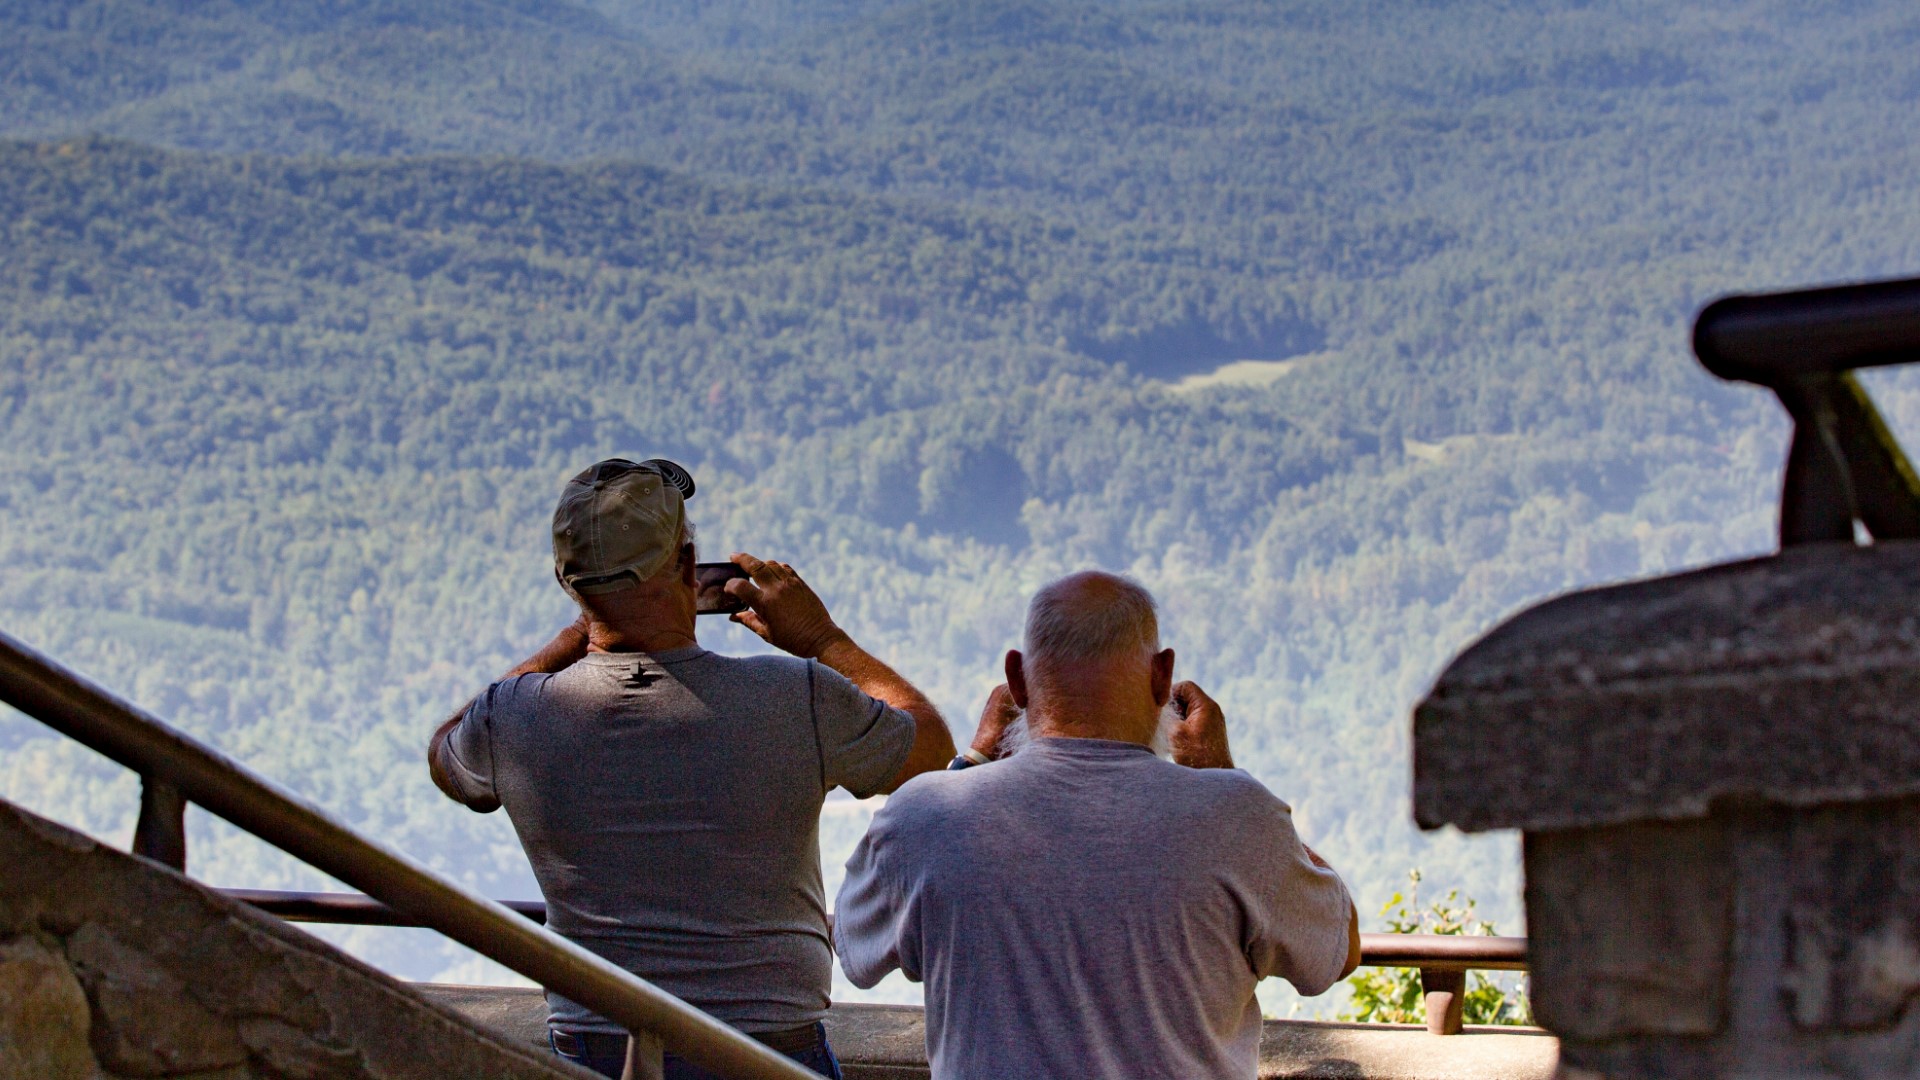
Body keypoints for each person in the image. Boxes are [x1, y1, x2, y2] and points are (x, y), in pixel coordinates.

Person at [427, 457, 956, 1080]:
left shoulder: (512, 717)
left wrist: (584, 630)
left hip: (594, 1053)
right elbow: (929, 750)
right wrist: (821, 637)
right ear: (686, 564)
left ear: (567, 583)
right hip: (766, 1052)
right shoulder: (795, 696)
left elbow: (445, 751)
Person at [834, 571, 1361, 1080]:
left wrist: (969, 764)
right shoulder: (1239, 818)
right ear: (1162, 676)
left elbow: (856, 948)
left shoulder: (925, 817)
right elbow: (1337, 951)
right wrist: (1222, 775)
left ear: (1017, 679)